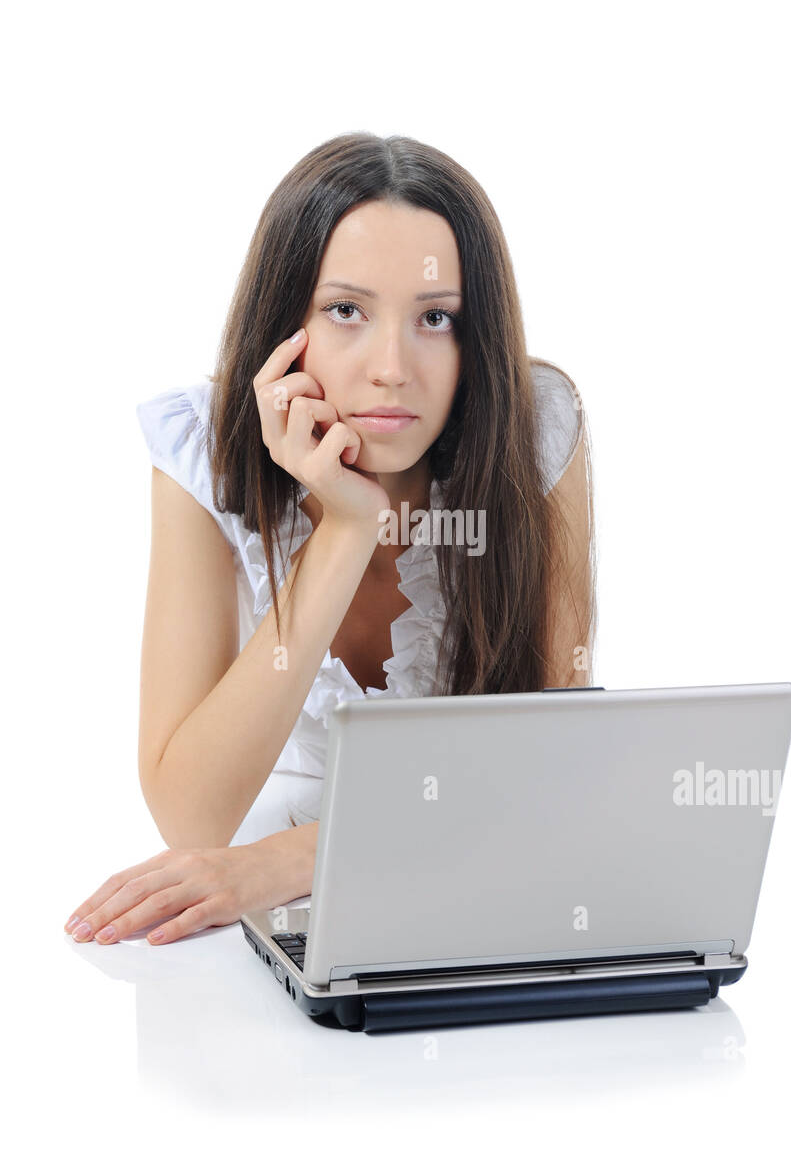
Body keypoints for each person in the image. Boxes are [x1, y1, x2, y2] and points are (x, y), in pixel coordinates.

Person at [63, 131, 597, 948]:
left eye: (435, 318)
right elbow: (193, 815)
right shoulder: (198, 447)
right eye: (345, 311)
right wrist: (347, 526)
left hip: (479, 880)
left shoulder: (535, 429)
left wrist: (290, 861)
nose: (391, 367)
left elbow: (551, 765)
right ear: (284, 325)